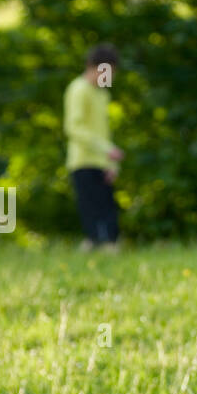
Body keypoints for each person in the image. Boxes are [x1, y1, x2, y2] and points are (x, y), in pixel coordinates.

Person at [64, 44, 124, 251]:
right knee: (92, 213)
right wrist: (105, 149)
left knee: (108, 211)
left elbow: (104, 132)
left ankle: (104, 248)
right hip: (83, 161)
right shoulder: (78, 89)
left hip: (102, 161)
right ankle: (99, 248)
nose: (110, 77)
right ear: (93, 67)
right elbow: (74, 127)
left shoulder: (102, 95)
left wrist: (111, 163)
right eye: (107, 71)